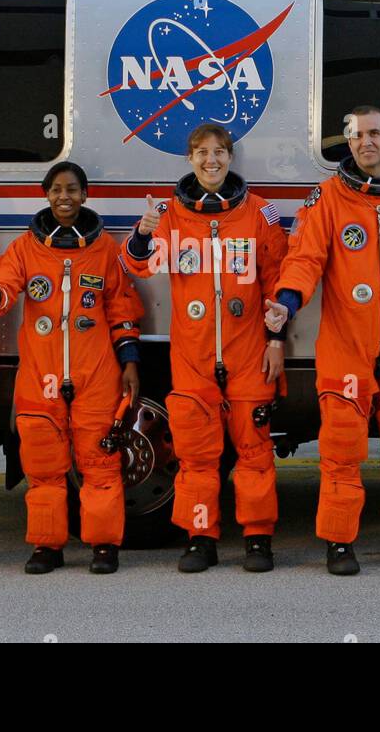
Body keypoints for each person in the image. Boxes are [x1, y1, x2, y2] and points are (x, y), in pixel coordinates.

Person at [264, 106, 380, 576]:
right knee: (343, 448)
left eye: (373, 133)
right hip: (348, 345)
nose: (365, 142)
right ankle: (339, 542)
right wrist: (285, 305)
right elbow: (304, 259)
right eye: (355, 136)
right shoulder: (327, 199)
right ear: (347, 144)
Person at [123, 124, 289, 573]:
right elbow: (140, 263)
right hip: (194, 357)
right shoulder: (171, 214)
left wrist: (276, 341)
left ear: (231, 157)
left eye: (218, 152)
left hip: (249, 352)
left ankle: (257, 539)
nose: (210, 160)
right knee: (196, 457)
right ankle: (200, 538)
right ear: (189, 158)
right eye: (200, 152)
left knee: (254, 452)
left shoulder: (261, 214)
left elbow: (278, 281)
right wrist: (143, 230)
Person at [0, 162, 142, 575]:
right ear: (45, 195)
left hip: (96, 374)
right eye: (56, 190)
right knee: (44, 468)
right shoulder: (27, 248)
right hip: (41, 375)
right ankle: (47, 546)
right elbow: (4, 284)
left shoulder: (105, 251)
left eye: (72, 190)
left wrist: (130, 362)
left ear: (85, 195)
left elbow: (121, 309)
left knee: (101, 465)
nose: (64, 197)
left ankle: (103, 546)